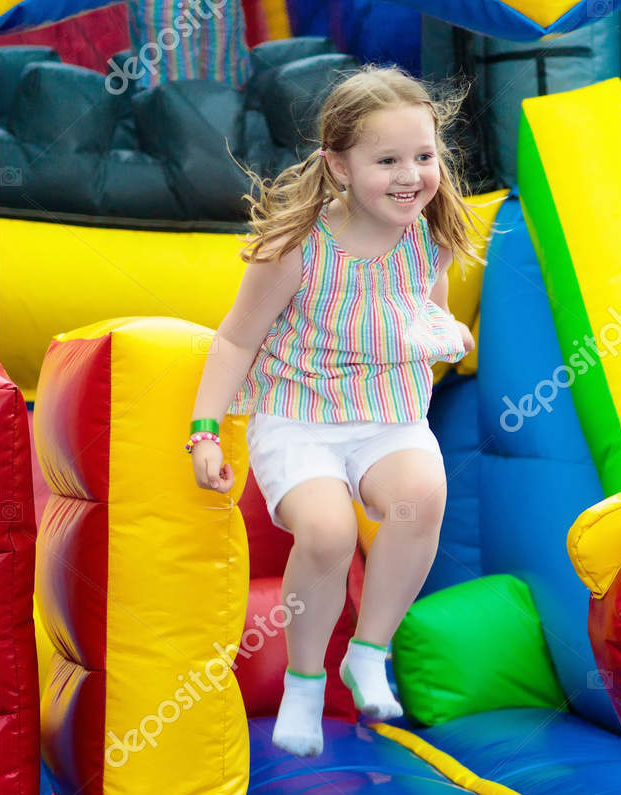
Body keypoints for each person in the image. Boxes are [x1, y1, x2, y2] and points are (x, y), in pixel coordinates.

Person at [187, 66, 479, 757]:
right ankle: (305, 680)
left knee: (422, 496)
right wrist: (204, 429)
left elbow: (424, 316)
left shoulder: (428, 237)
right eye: (388, 161)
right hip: (301, 416)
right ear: (339, 166)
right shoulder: (297, 249)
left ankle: (368, 651)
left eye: (424, 156)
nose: (411, 175)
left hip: (388, 415)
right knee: (324, 533)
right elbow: (235, 337)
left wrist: (447, 334)